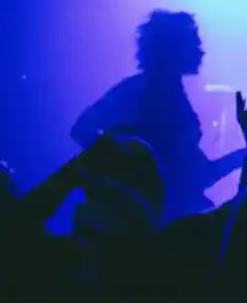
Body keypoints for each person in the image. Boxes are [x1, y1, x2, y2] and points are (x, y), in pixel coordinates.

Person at [71, 11, 211, 219]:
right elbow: (82, 130)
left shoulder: (170, 93)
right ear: (172, 48)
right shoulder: (136, 91)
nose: (202, 51)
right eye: (194, 42)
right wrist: (126, 173)